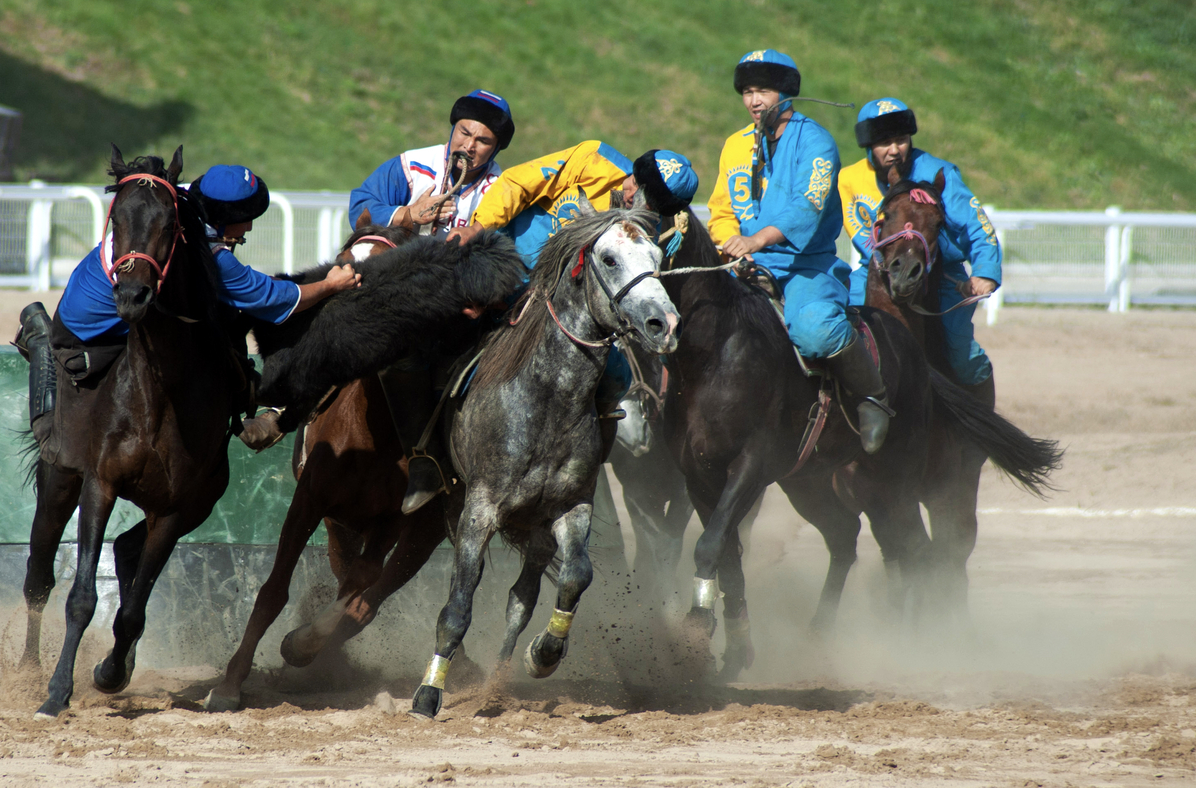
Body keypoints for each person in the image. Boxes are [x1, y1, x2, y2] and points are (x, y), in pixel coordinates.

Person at [404, 144, 697, 515]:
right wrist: (478, 228)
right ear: (635, 174)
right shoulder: (592, 158)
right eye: (637, 189)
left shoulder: (645, 227)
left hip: (561, 308)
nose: (636, 201)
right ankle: (428, 459)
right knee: (443, 338)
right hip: (505, 267)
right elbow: (518, 183)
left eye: (653, 206)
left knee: (617, 377)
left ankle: (580, 474)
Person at [15, 164, 360, 448]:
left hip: (95, 295)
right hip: (91, 332)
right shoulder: (205, 251)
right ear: (222, 218)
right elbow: (270, 298)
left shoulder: (175, 199)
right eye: (247, 217)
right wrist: (331, 285)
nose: (250, 227)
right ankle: (44, 346)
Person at [705, 49, 890, 453]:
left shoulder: (816, 142)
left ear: (786, 92)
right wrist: (732, 246)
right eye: (748, 92)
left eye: (763, 91)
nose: (754, 101)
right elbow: (721, 210)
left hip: (806, 266)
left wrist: (756, 240)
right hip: (744, 266)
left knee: (815, 331)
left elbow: (809, 205)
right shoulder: (735, 145)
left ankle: (872, 395)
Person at [839, 97, 1001, 401]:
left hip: (941, 274)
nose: (894, 149)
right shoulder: (847, 179)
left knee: (961, 354)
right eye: (884, 142)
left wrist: (985, 271)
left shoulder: (939, 173)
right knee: (840, 334)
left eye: (901, 139)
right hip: (873, 272)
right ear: (868, 146)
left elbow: (976, 224)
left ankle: (979, 419)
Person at [348, 89, 515, 234]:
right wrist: (409, 214)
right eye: (464, 133)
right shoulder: (413, 166)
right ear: (453, 129)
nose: (469, 146)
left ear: (496, 149)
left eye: (483, 141)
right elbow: (359, 207)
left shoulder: (500, 191)